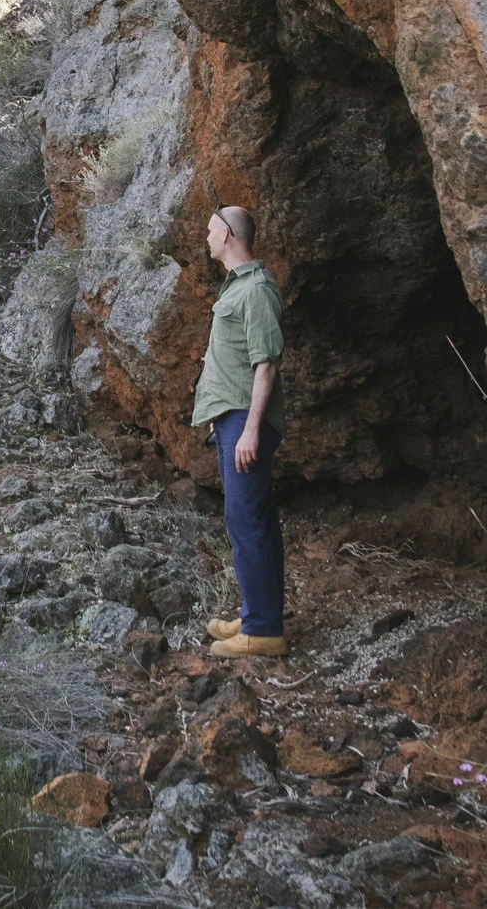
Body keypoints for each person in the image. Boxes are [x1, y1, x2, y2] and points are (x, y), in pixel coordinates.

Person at [195, 204, 286, 658]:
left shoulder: (257, 291)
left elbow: (265, 365)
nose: (206, 236)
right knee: (255, 520)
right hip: (230, 418)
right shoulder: (237, 288)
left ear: (228, 233)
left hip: (246, 423)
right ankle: (257, 614)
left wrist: (250, 431)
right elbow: (232, 360)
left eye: (211, 230)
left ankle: (264, 630)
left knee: (245, 521)